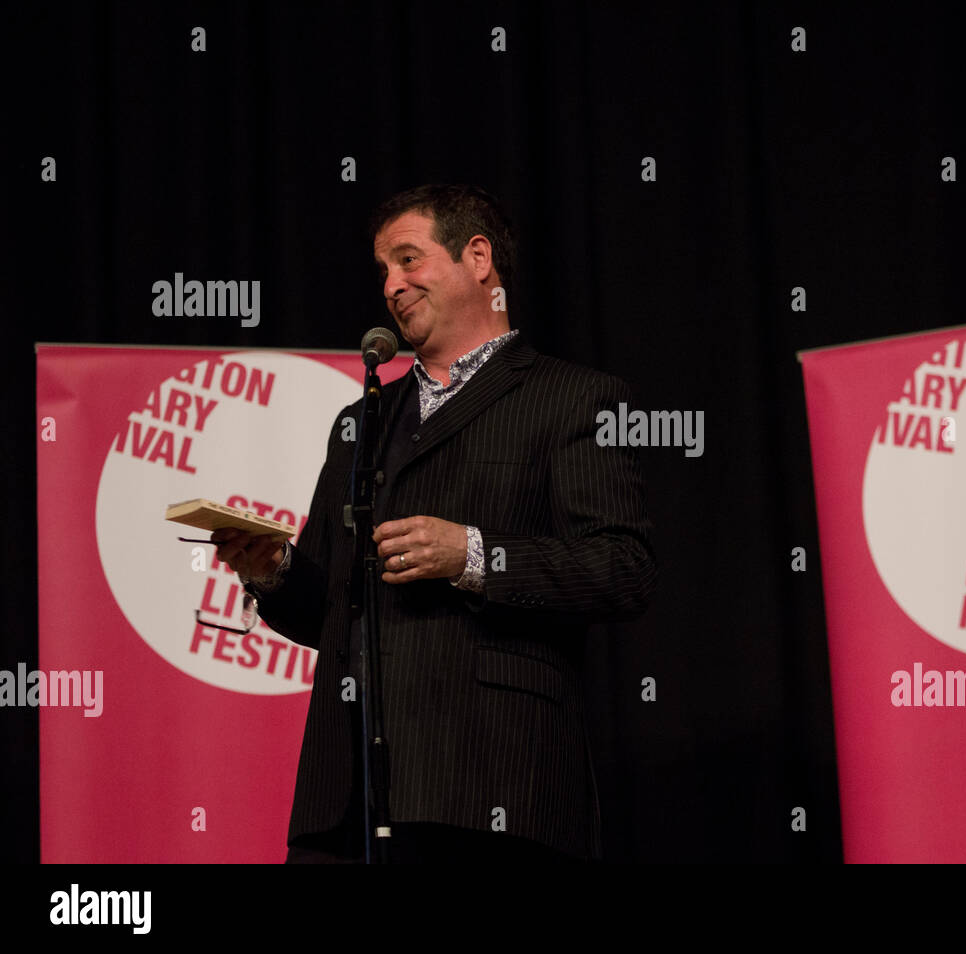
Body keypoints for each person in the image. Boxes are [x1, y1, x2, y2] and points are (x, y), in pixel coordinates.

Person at [212, 184, 655, 862]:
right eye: (382, 270)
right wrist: (272, 571)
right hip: (348, 792)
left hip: (492, 783)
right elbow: (329, 612)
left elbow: (623, 570)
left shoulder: (575, 397)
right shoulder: (361, 421)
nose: (391, 285)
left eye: (408, 260)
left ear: (477, 257)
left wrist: (473, 555)